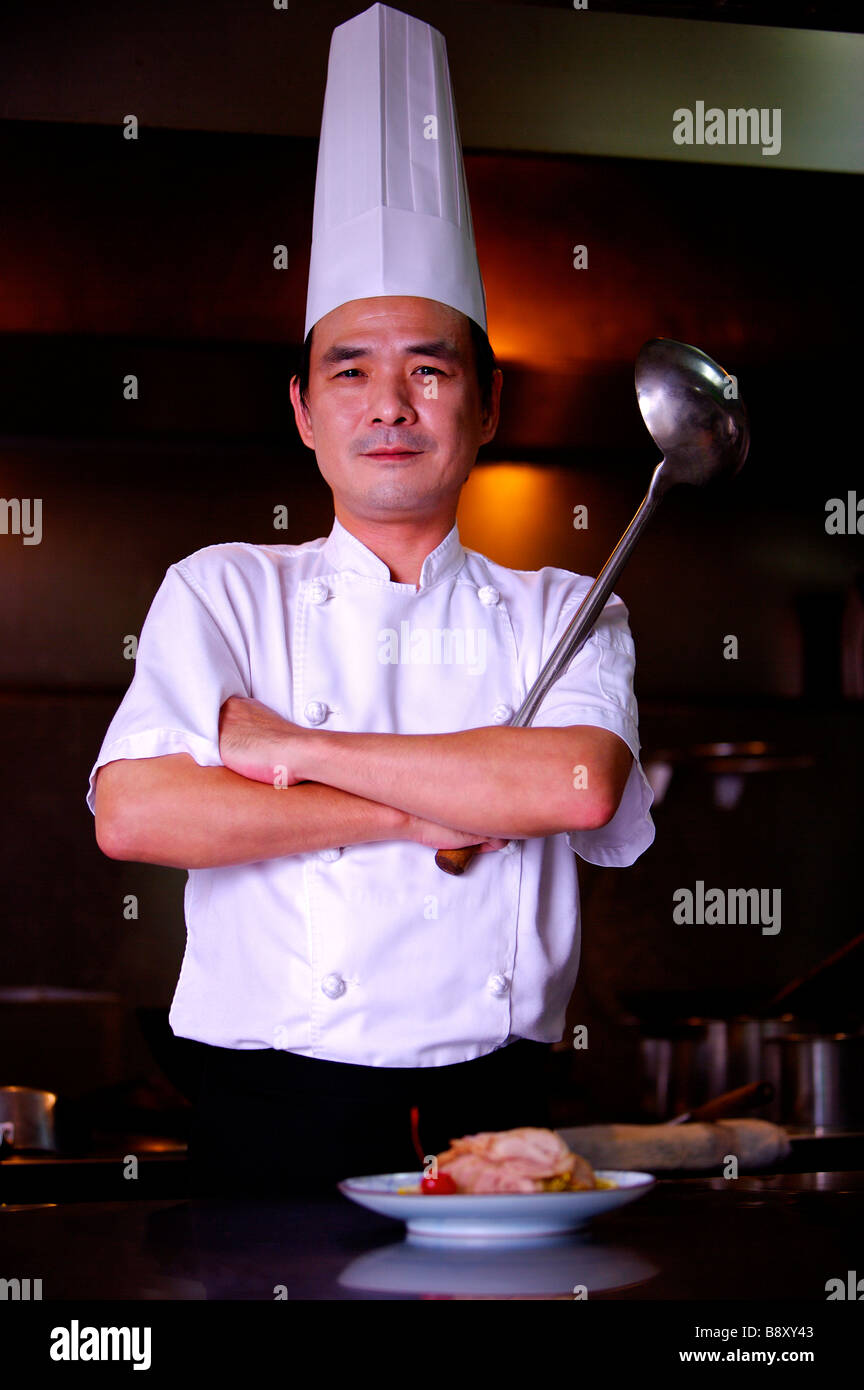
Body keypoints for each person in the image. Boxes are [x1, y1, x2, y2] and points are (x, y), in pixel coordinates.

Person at [87, 2, 655, 1193]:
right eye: (351, 370)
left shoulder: (569, 605)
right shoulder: (225, 587)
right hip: (269, 1116)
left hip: (493, 1104)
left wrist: (286, 749)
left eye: (429, 369)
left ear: (486, 407)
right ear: (304, 410)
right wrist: (423, 811)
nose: (389, 404)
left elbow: (572, 782)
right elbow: (141, 815)